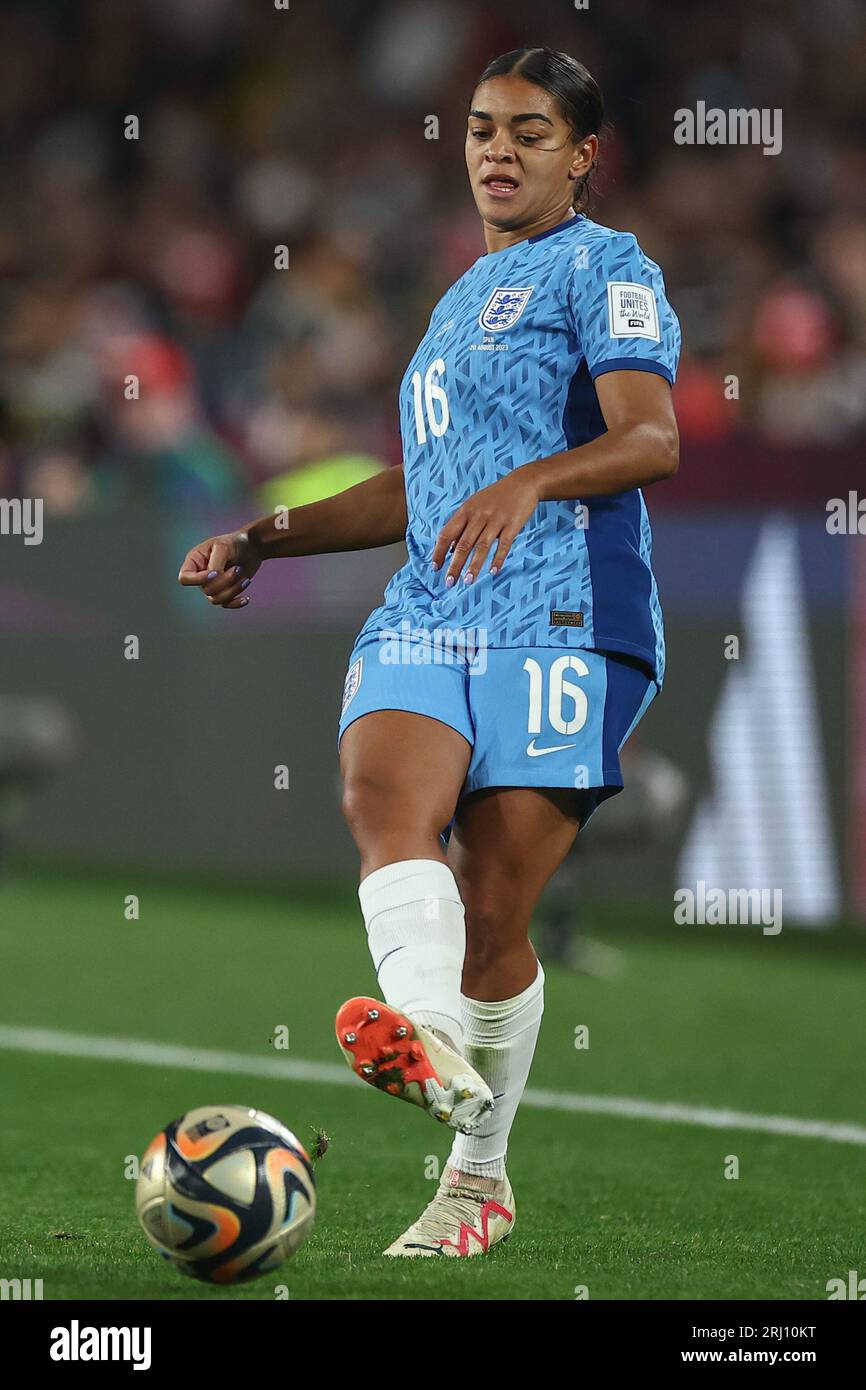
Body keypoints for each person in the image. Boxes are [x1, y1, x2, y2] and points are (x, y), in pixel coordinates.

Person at [179, 46, 681, 1259]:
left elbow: (650, 436)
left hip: (564, 615)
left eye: (525, 132)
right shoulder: (459, 296)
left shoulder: (609, 270)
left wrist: (532, 481)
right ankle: (418, 1032)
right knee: (380, 802)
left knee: (494, 911)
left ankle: (476, 1182)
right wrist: (265, 533)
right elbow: (423, 488)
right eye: (476, 130)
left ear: (580, 156)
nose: (494, 151)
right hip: (429, 607)